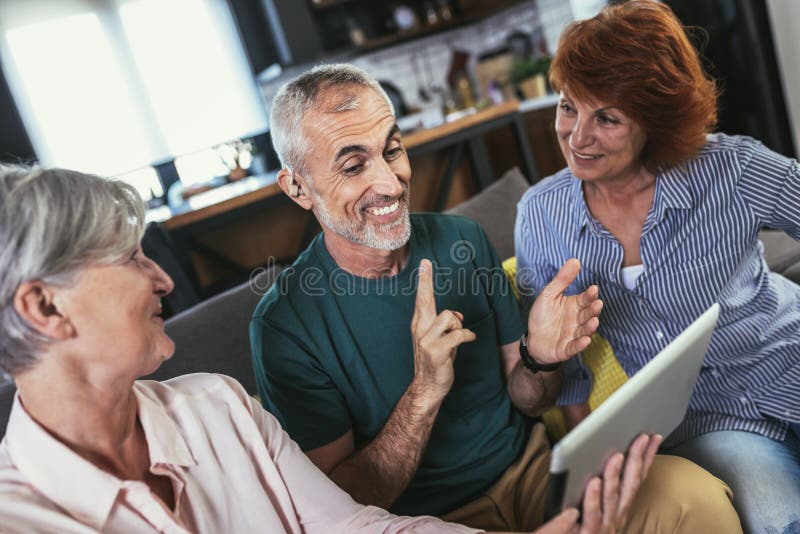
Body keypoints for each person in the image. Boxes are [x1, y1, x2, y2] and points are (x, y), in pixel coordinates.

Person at [251, 63, 741, 533]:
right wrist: (424, 392)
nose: (389, 182)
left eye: (393, 149)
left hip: (534, 479)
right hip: (422, 522)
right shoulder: (285, 326)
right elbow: (340, 510)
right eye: (354, 165)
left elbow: (529, 399)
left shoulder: (461, 242)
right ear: (297, 186)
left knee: (694, 498)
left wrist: (542, 358)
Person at [0, 164, 537, 534]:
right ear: (45, 308)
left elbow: (352, 524)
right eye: (129, 259)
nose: (164, 280)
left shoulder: (219, 405)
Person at [514, 2, 800, 533]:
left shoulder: (732, 168)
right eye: (567, 107)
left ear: (655, 120)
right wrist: (543, 356)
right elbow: (567, 393)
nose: (577, 138)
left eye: (607, 118)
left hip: (790, 359)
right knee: (779, 522)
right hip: (709, 421)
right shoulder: (541, 217)